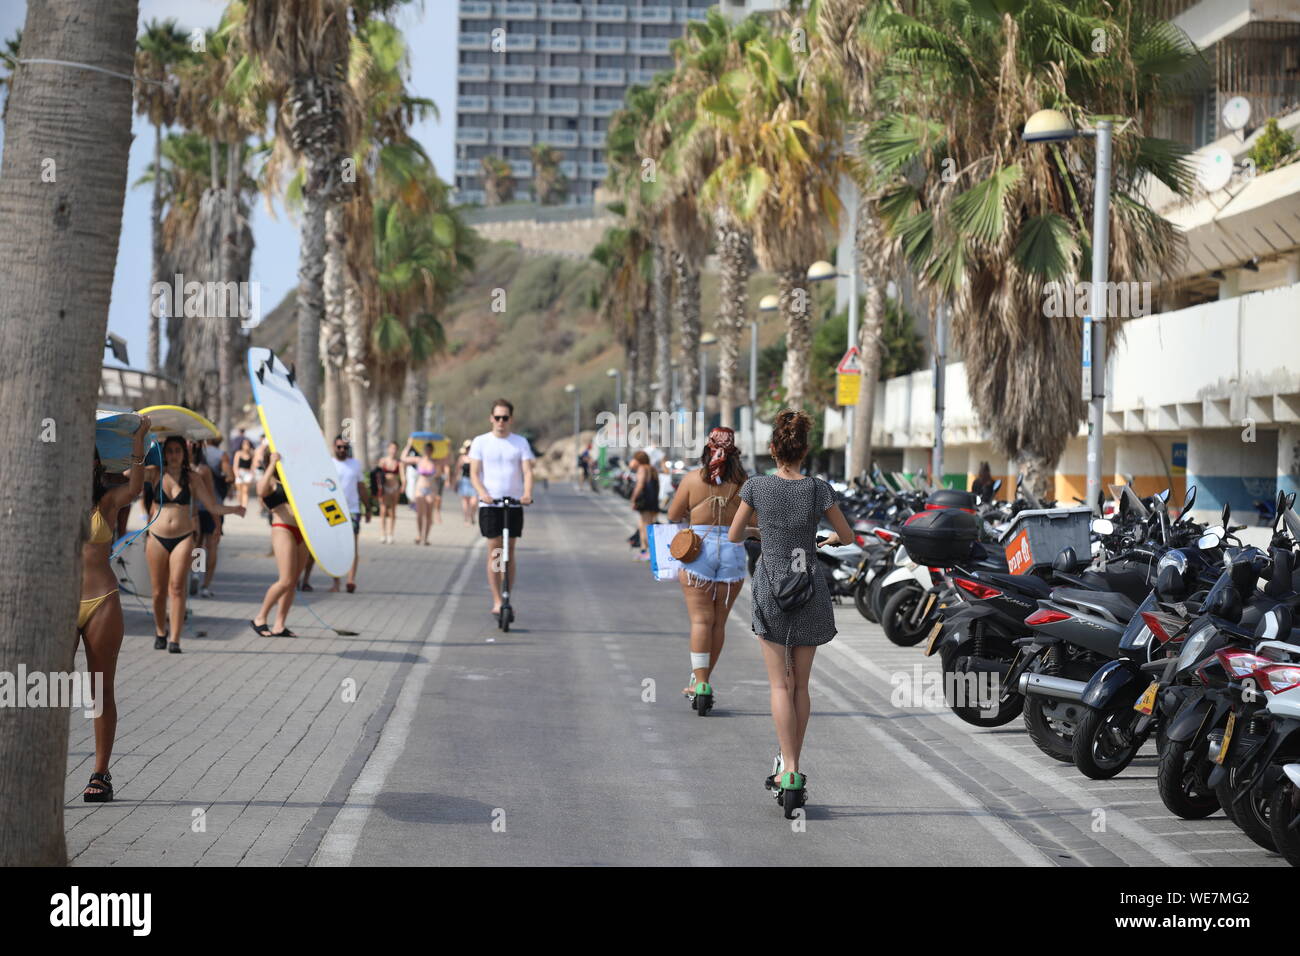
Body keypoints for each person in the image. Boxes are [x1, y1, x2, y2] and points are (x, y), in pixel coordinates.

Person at [727, 409, 854, 813]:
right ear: (804, 450)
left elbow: (734, 534)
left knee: (780, 684)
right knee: (801, 685)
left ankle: (788, 771)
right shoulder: (818, 489)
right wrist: (829, 539)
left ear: (772, 449)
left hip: (772, 589)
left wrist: (762, 530)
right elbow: (847, 535)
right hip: (808, 586)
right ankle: (794, 765)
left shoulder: (756, 487)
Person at [80, 416, 151, 802]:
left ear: (95, 464)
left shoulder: (106, 499)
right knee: (45, 689)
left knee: (99, 690)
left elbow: (137, 487)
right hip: (57, 605)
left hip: (101, 601)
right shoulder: (48, 498)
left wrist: (138, 439)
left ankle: (101, 773)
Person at [667, 427, 749, 713]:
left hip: (697, 552)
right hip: (733, 551)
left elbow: (673, 515)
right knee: (718, 623)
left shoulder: (692, 479)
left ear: (707, 448)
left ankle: (700, 683)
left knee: (701, 621)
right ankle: (703, 678)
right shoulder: (743, 483)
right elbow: (755, 521)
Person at [144, 436, 245, 653]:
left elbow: (211, 505)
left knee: (178, 588)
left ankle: (175, 639)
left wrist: (234, 510)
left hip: (183, 537)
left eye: (177, 451)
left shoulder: (193, 478)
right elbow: (128, 476)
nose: (173, 455)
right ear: (164, 453)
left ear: (184, 454)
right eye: (169, 451)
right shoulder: (154, 472)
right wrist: (136, 442)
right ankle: (161, 631)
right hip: (156, 537)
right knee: (158, 592)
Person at [469, 398, 535, 618]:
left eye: (505, 418)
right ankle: (497, 599)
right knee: (495, 551)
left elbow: (527, 471)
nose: (500, 422)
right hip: (491, 503)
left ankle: (507, 594)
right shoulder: (481, 442)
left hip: (513, 503)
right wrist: (482, 493)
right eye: (497, 417)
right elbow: (475, 473)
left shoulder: (520, 443)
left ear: (510, 419)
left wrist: (526, 494)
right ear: (491, 418)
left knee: (509, 552)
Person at [250, 451, 309, 637]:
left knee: (293, 581)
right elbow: (260, 491)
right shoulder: (272, 481)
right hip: (283, 528)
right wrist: (272, 464)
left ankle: (280, 624)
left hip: (303, 531)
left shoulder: (295, 478)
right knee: (284, 580)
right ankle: (260, 618)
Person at [302, 436, 370, 592]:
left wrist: (367, 507)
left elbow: (361, 487)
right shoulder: (328, 465)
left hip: (352, 510)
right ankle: (333, 582)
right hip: (331, 509)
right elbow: (318, 488)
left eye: (345, 447)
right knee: (329, 547)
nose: (342, 450)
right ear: (334, 447)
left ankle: (351, 580)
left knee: (351, 547)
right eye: (339, 447)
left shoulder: (355, 464)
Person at [196, 437, 232, 598]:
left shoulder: (196, 453)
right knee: (212, 546)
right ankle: (205, 585)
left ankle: (196, 574)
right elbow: (230, 476)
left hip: (195, 508)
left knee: (197, 544)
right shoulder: (221, 455)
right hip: (213, 505)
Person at [401, 440, 439, 546]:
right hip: (420, 488)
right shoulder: (419, 460)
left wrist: (447, 447)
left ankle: (426, 537)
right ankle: (419, 535)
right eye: (426, 449)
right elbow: (403, 458)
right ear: (423, 450)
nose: (427, 451)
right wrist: (409, 445)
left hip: (431, 489)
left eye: (430, 449)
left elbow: (449, 461)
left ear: (432, 451)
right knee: (419, 514)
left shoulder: (434, 461)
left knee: (428, 515)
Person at [628, 450, 659, 560]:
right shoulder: (652, 469)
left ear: (638, 460)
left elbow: (640, 485)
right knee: (644, 524)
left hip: (645, 501)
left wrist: (633, 498)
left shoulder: (642, 469)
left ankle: (647, 552)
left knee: (644, 526)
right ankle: (643, 550)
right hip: (652, 501)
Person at [376, 441, 403, 543]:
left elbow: (402, 475)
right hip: (384, 488)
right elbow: (377, 474)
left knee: (392, 511)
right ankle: (383, 533)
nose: (393, 450)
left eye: (395, 448)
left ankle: (390, 534)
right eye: (391, 448)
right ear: (388, 449)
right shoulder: (383, 461)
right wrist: (378, 486)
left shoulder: (398, 462)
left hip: (394, 488)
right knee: (383, 511)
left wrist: (404, 484)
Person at [454, 438, 478, 525]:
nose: (469, 449)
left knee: (474, 502)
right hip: (465, 481)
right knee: (465, 502)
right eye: (468, 447)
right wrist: (455, 482)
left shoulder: (476, 458)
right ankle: (466, 518)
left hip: (474, 481)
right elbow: (457, 471)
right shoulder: (462, 458)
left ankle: (472, 515)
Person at [233, 437, 256, 511]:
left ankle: (244, 506)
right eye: (244, 444)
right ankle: (240, 505)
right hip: (240, 472)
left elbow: (253, 465)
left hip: (247, 473)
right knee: (239, 491)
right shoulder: (238, 453)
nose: (246, 446)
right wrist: (236, 474)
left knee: (245, 491)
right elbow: (235, 465)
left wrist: (252, 474)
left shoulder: (251, 454)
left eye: (247, 444)